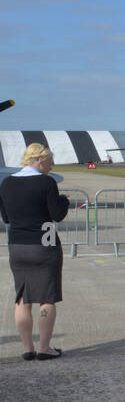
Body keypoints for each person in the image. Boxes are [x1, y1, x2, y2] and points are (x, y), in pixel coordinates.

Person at [0, 143, 70, 360]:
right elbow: (57, 214)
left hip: (18, 245)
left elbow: (7, 218)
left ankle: (27, 348)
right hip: (44, 242)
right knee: (47, 297)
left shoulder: (7, 183)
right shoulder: (46, 182)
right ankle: (45, 348)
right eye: (50, 162)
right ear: (40, 160)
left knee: (22, 297)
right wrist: (64, 201)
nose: (52, 166)